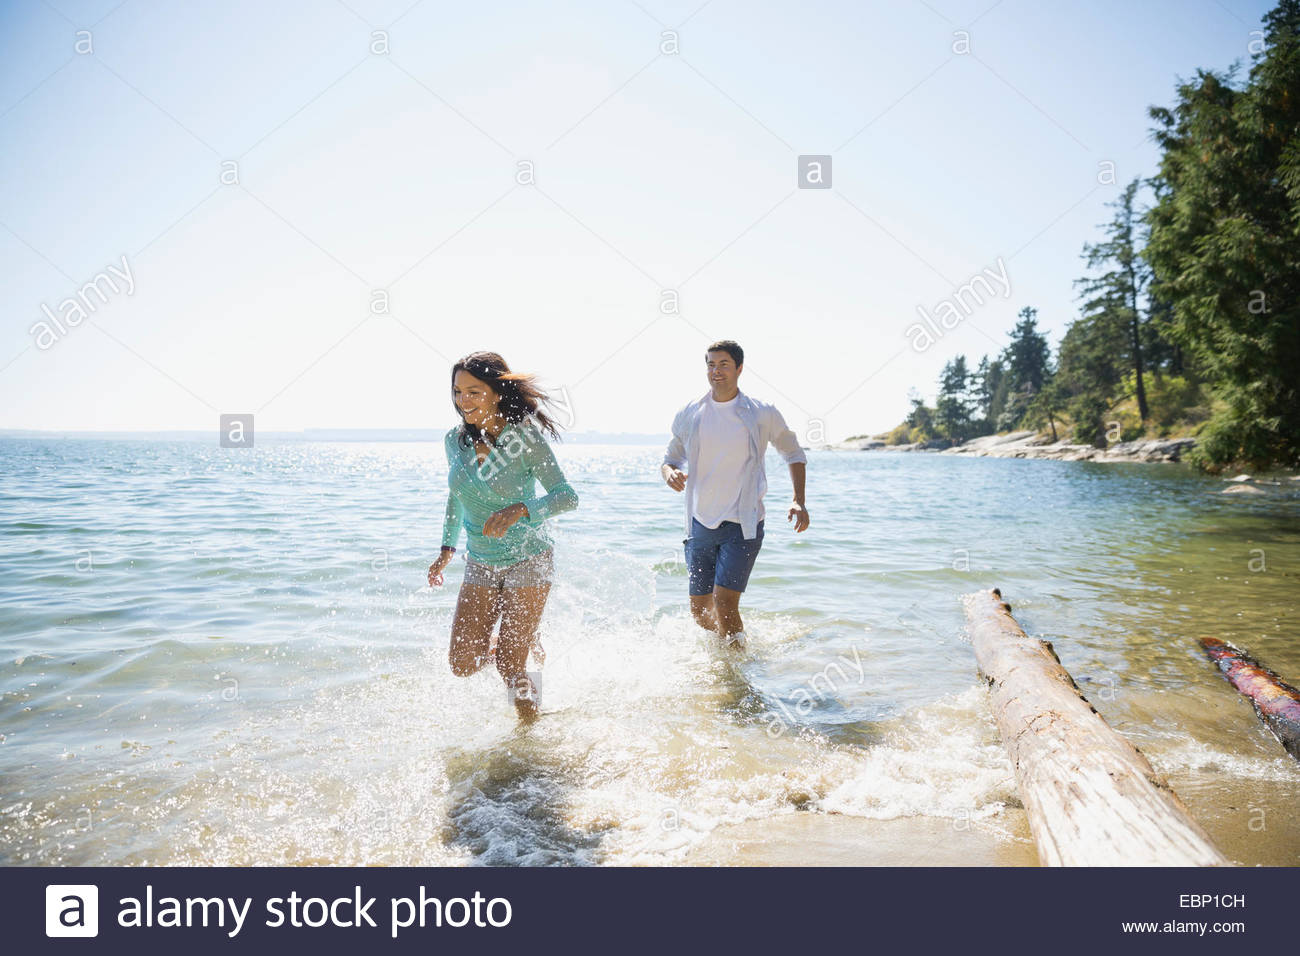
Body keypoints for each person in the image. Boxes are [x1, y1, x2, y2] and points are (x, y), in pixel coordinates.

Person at [427, 351, 578, 720]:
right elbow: (456, 495)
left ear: (496, 392)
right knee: (462, 663)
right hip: (480, 560)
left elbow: (567, 496)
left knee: (511, 665)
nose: (464, 401)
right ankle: (519, 638)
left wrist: (522, 510)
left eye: (474, 391)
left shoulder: (524, 439)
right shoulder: (454, 441)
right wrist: (447, 547)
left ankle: (531, 730)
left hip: (529, 556)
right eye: (458, 392)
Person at [661, 340, 809, 650]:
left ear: (739, 368)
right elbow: (670, 458)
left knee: (725, 603)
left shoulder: (761, 413)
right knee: (701, 613)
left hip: (744, 523)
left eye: (724, 364)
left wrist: (798, 499)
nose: (716, 371)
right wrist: (670, 473)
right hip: (700, 523)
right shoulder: (690, 413)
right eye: (711, 365)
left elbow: (793, 452)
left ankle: (738, 672)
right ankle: (737, 647)